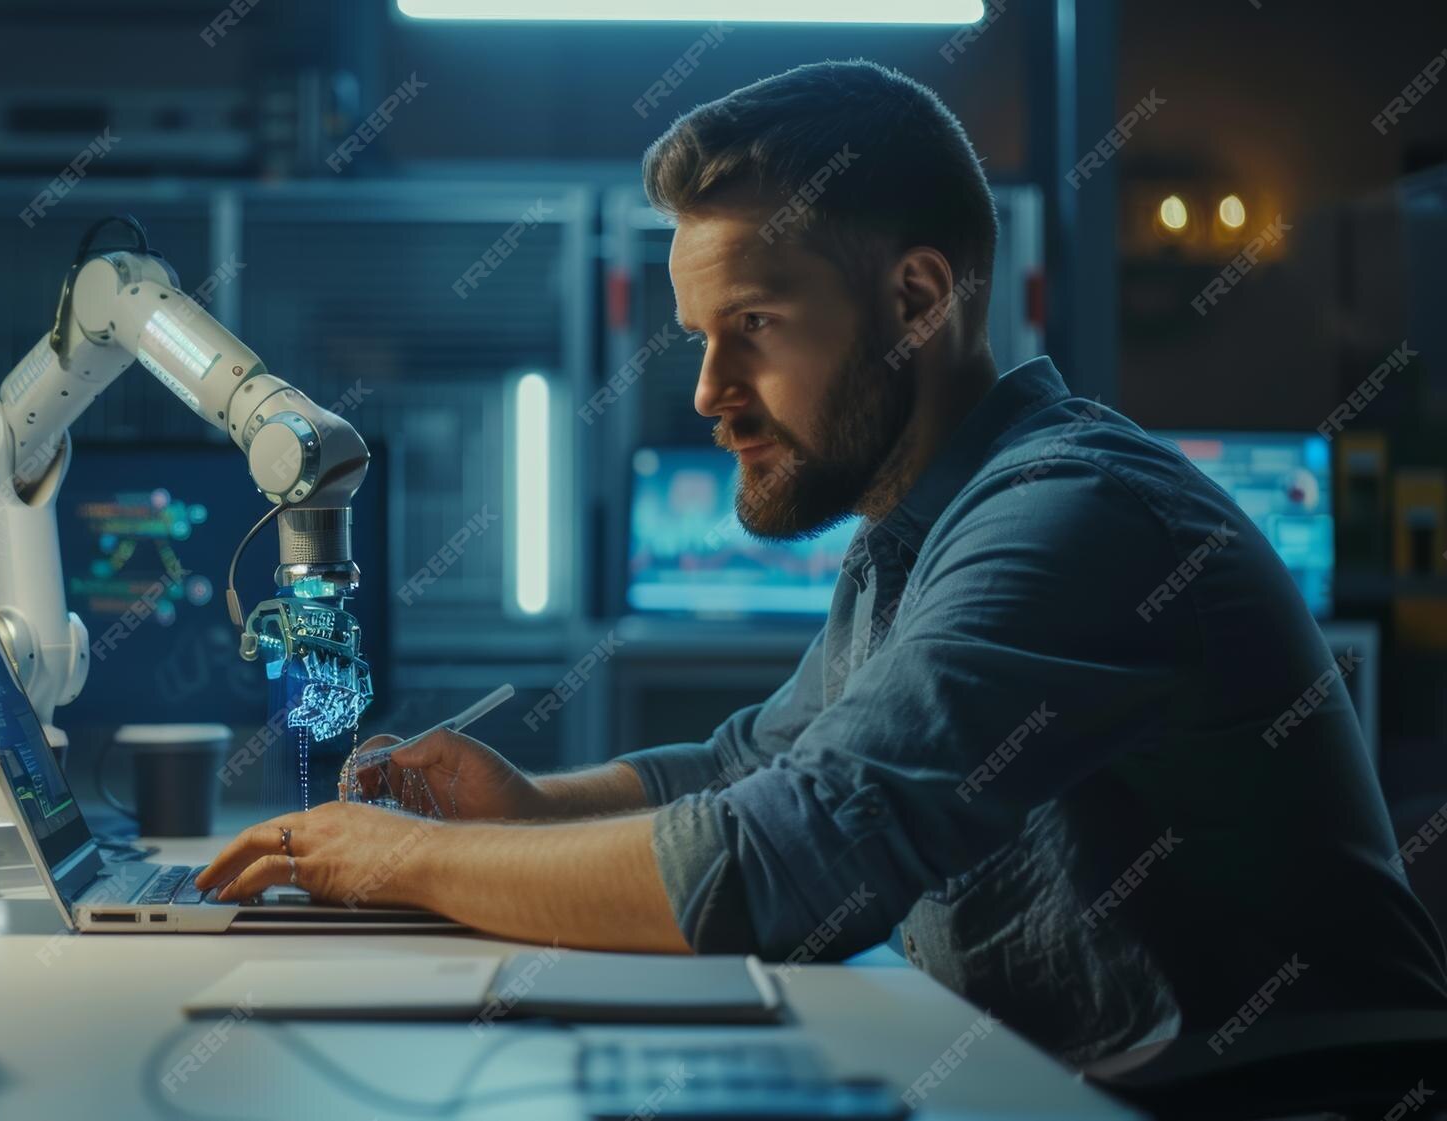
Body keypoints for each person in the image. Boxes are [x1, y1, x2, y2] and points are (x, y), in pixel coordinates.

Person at [194, 59, 1447, 1064]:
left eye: (752, 328)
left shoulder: (1072, 518)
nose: (703, 391)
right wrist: (524, 806)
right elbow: (757, 761)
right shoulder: (912, 533)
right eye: (695, 337)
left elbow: (787, 861)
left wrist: (403, 858)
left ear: (913, 301)